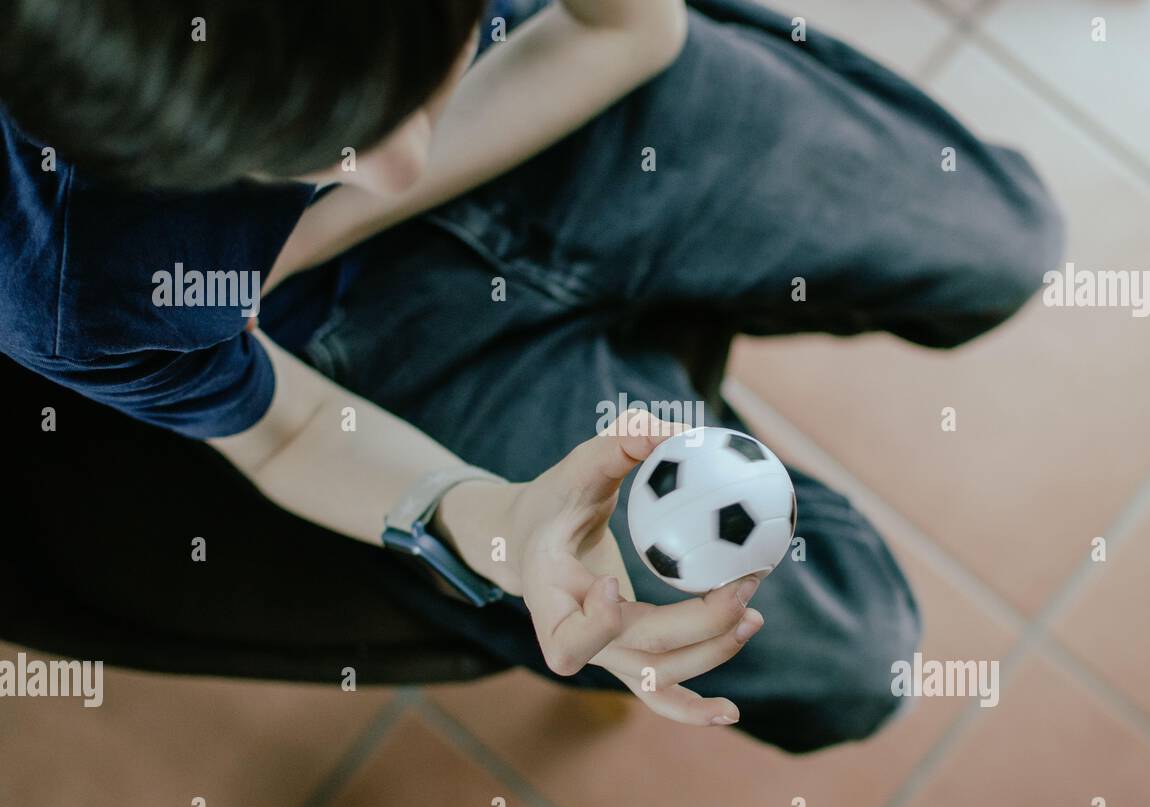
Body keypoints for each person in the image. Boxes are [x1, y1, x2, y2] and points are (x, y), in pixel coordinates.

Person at [0, 0, 1063, 752]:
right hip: (347, 346)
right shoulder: (54, 276)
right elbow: (285, 433)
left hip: (560, 68)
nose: (401, 158)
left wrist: (309, 216)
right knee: (854, 662)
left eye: (410, 81)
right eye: (307, 149)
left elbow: (626, 29)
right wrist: (499, 521)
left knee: (1007, 243)